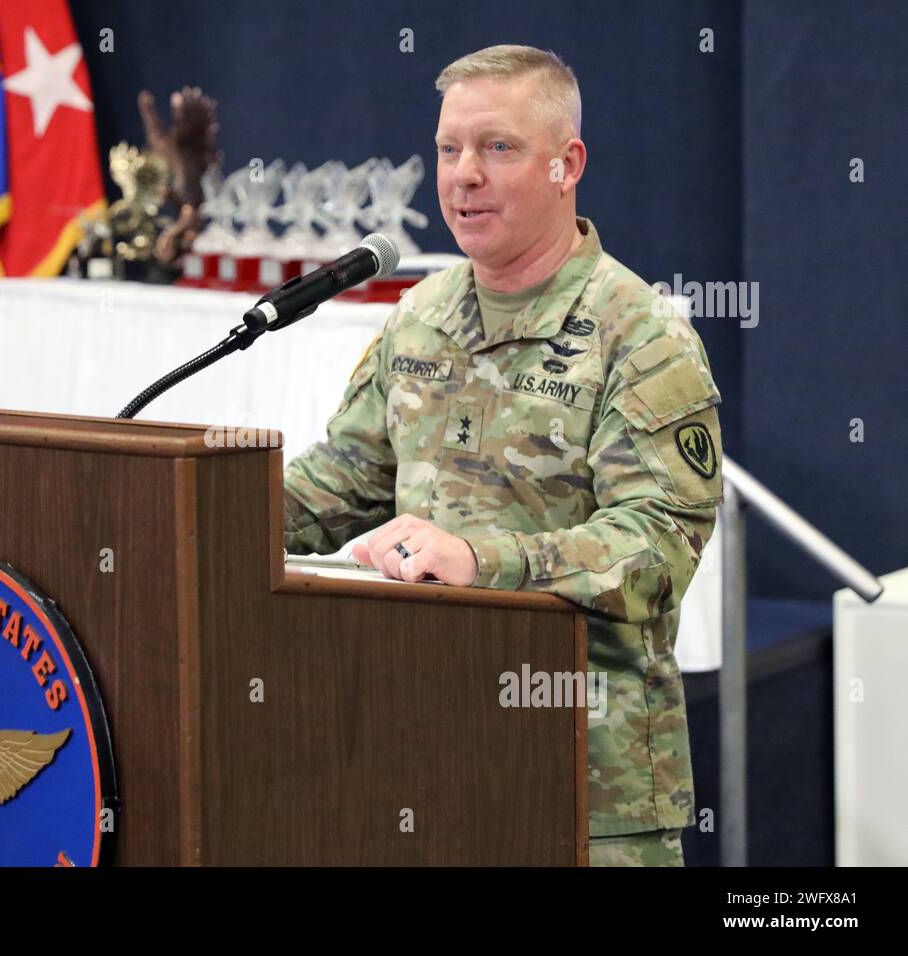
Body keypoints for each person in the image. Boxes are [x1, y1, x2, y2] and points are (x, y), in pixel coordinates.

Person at [283, 44, 724, 867]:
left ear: (568, 164)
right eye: (449, 149)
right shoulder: (420, 315)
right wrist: (202, 514)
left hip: (588, 785)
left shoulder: (641, 333)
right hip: (420, 764)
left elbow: (655, 551)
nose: (463, 176)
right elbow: (341, 482)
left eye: (498, 147)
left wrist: (484, 561)